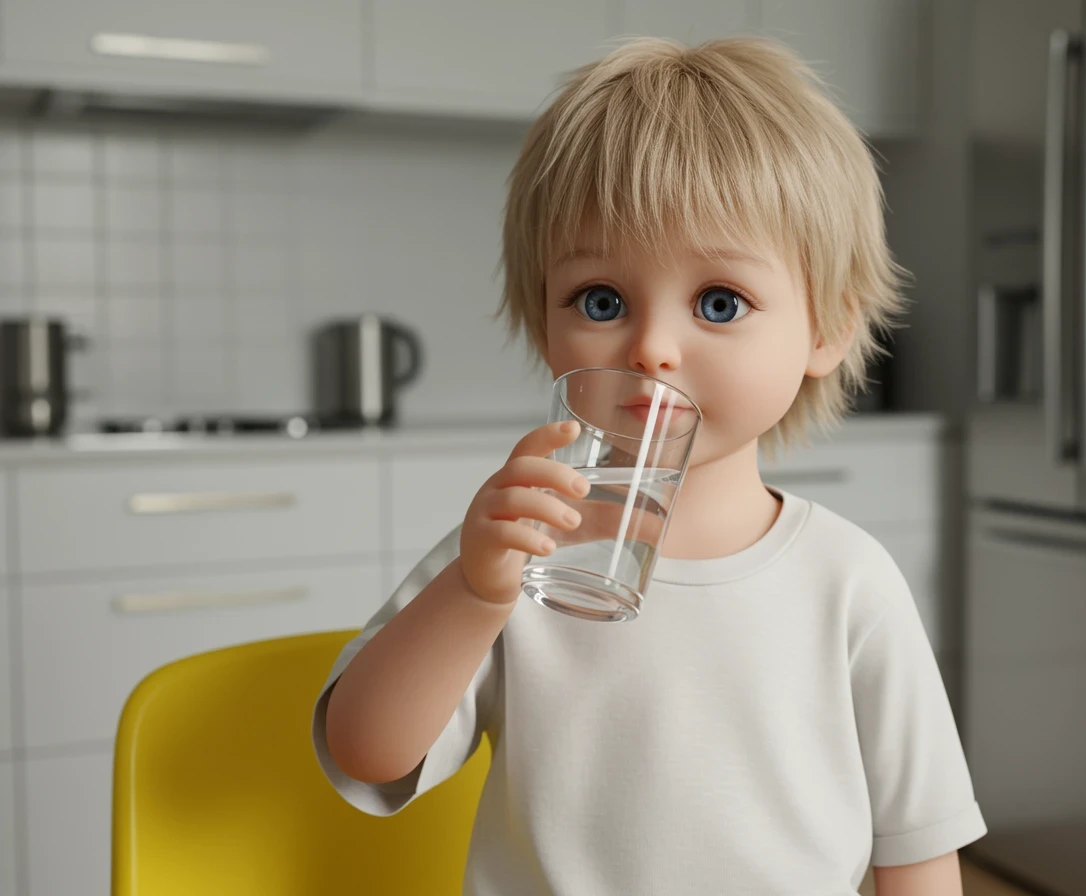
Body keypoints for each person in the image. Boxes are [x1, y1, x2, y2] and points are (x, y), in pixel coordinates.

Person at [314, 35, 986, 896]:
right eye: (602, 301)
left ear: (827, 330)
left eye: (719, 302)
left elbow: (918, 852)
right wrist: (475, 593)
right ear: (542, 321)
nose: (653, 348)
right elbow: (364, 753)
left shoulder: (850, 581)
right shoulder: (510, 551)